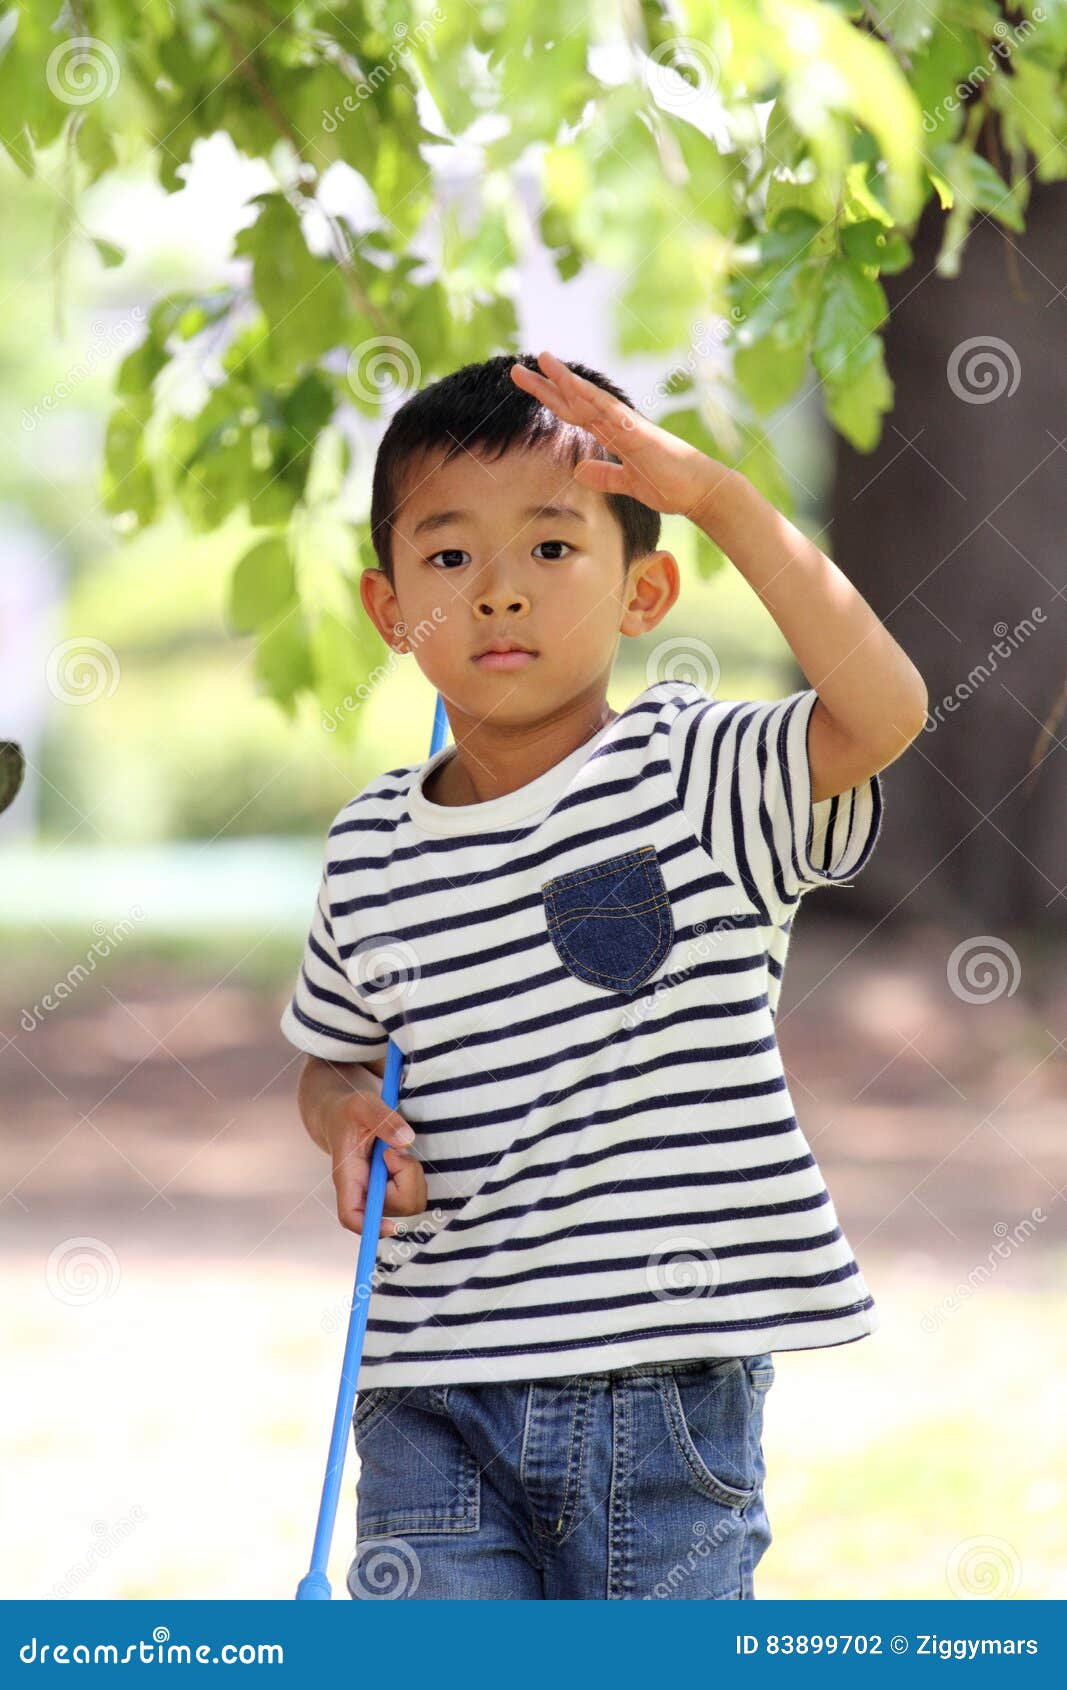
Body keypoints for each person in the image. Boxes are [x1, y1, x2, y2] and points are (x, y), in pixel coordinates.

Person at [280, 350, 927, 1600]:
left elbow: (883, 710)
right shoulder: (369, 845)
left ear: (645, 591)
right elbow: (333, 1058)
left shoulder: (697, 773)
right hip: (428, 1390)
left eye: (551, 547)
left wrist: (719, 497)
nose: (498, 592)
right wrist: (345, 1116)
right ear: (388, 607)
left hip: (662, 1393)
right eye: (450, 556)